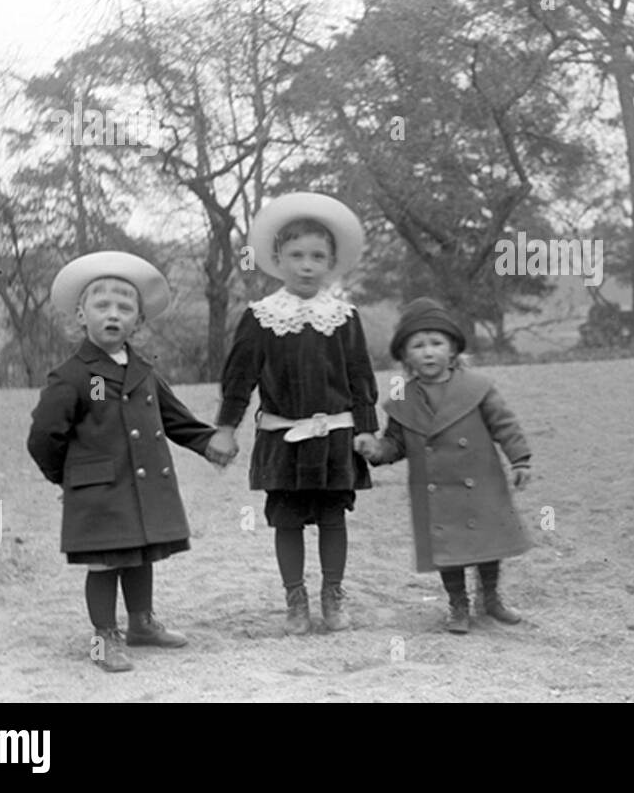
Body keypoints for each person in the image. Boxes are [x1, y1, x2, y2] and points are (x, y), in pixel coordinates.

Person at [28, 251, 236, 673]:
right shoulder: (71, 375)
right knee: (105, 563)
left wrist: (208, 442)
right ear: (81, 316)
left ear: (138, 322)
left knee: (141, 554)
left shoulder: (143, 370)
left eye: (125, 308)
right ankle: (104, 638)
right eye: (102, 306)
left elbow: (174, 418)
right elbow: (44, 436)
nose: (113, 315)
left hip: (143, 487)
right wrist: (65, 479)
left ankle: (141, 623)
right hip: (98, 490)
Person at [212, 193, 379, 635]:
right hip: (282, 438)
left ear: (331, 262)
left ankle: (333, 594)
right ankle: (295, 600)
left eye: (317, 256)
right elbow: (239, 377)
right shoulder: (263, 317)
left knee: (331, 517)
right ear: (278, 259)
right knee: (286, 520)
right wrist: (226, 429)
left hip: (335, 438)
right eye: (297, 255)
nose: (307, 265)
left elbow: (361, 377)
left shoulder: (343, 317)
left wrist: (366, 430)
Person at [356, 298, 532, 634]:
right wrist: (375, 449)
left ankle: (490, 598)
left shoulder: (478, 388)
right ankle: (457, 604)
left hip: (480, 483)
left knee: (487, 542)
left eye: (436, 343)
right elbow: (396, 444)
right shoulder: (403, 401)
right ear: (406, 357)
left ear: (452, 350)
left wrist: (520, 460)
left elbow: (505, 425)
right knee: (447, 548)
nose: (428, 352)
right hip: (435, 491)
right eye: (418, 346)